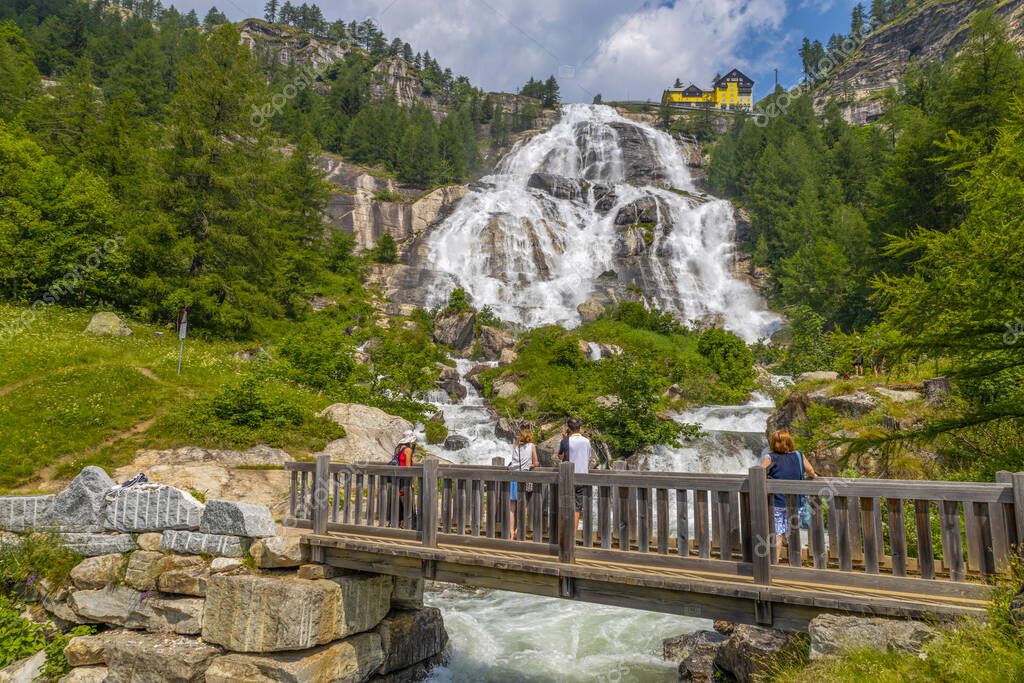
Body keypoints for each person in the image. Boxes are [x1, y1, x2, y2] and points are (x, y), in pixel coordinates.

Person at [760, 429, 816, 563]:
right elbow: (811, 473)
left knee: (777, 535)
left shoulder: (770, 457)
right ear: (790, 441)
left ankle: (774, 564)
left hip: (778, 503)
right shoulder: (798, 455)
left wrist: (767, 476)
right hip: (796, 503)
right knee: (793, 533)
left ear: (773, 443)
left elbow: (758, 472)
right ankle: (796, 564)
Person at [509, 429, 540, 540]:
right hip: (525, 476)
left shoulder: (516, 446)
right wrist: (530, 465)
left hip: (514, 475)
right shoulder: (532, 446)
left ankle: (511, 532)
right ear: (530, 437)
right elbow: (536, 463)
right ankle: (518, 530)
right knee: (525, 505)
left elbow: (513, 462)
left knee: (512, 506)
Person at [562, 418, 591, 530]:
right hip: (582, 476)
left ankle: (565, 530)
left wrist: (564, 438)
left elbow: (561, 457)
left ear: (569, 429)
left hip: (568, 476)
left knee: (566, 504)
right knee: (577, 507)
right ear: (580, 428)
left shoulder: (566, 441)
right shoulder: (586, 441)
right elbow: (588, 457)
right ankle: (573, 533)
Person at [391, 431, 416, 528]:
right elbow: (408, 467)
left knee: (400, 500)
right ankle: (409, 524)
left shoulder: (399, 448)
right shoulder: (408, 450)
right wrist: (411, 482)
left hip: (398, 477)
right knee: (408, 501)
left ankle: (398, 522)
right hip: (405, 478)